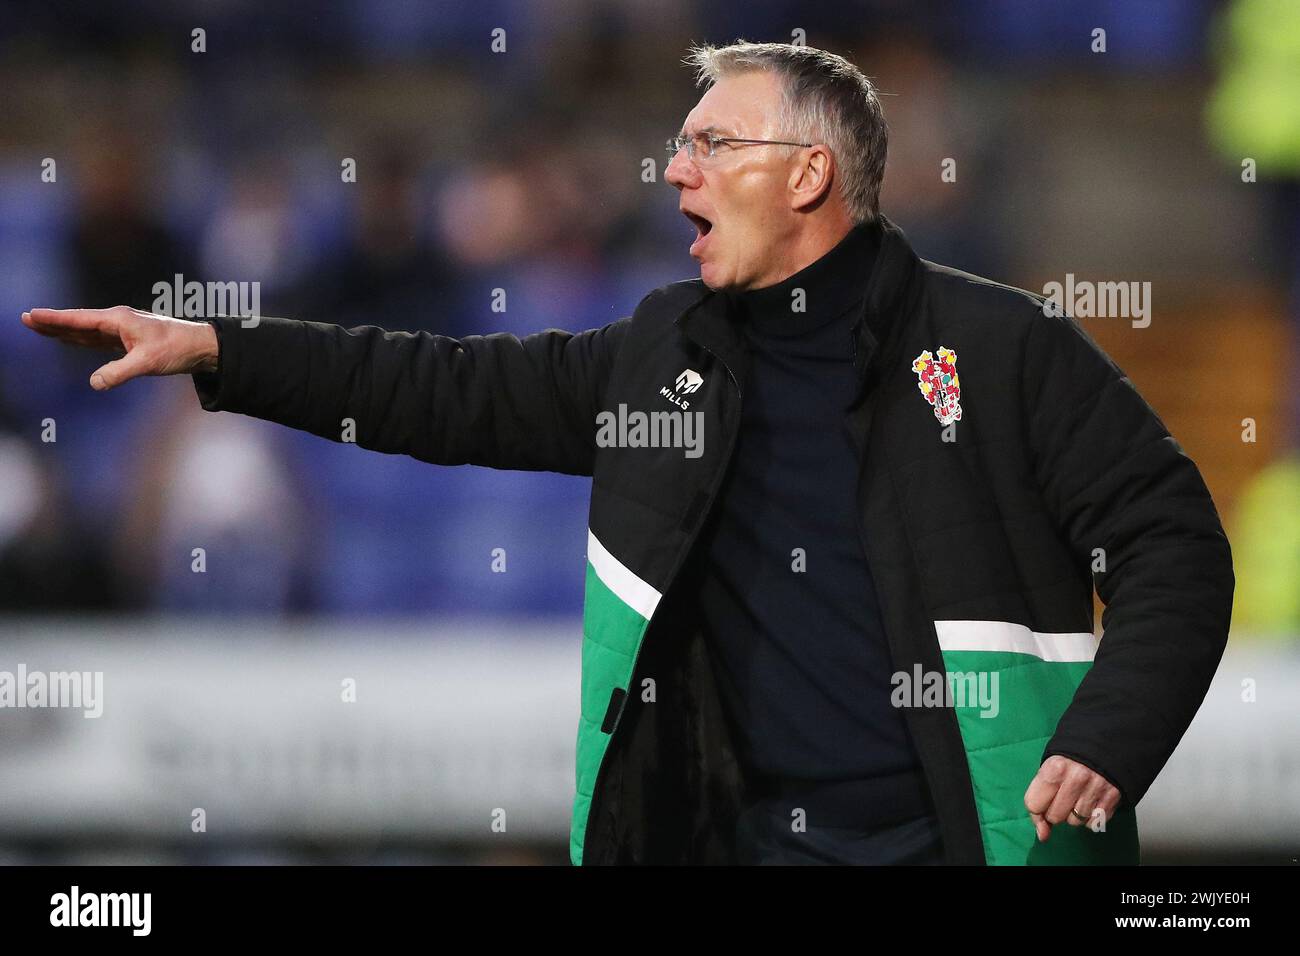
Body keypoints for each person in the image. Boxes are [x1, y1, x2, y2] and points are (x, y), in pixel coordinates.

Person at [21, 41, 1233, 865]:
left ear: (809, 173)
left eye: (710, 144)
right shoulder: (669, 350)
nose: (672, 170)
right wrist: (224, 350)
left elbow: (1172, 541)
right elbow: (443, 389)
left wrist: (1103, 736)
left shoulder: (999, 345)